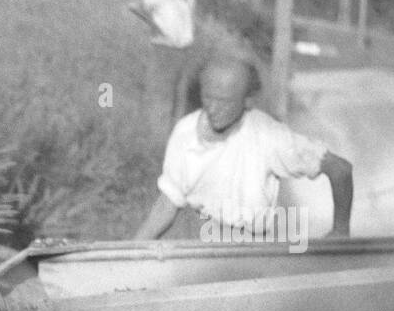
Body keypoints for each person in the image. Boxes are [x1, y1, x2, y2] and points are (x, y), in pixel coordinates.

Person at [134, 58, 353, 242]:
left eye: (224, 102)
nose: (212, 109)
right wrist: (130, 253)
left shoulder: (268, 136)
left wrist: (340, 231)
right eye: (207, 98)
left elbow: (340, 169)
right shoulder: (185, 133)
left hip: (253, 250)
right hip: (202, 248)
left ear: (247, 100)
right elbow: (168, 202)